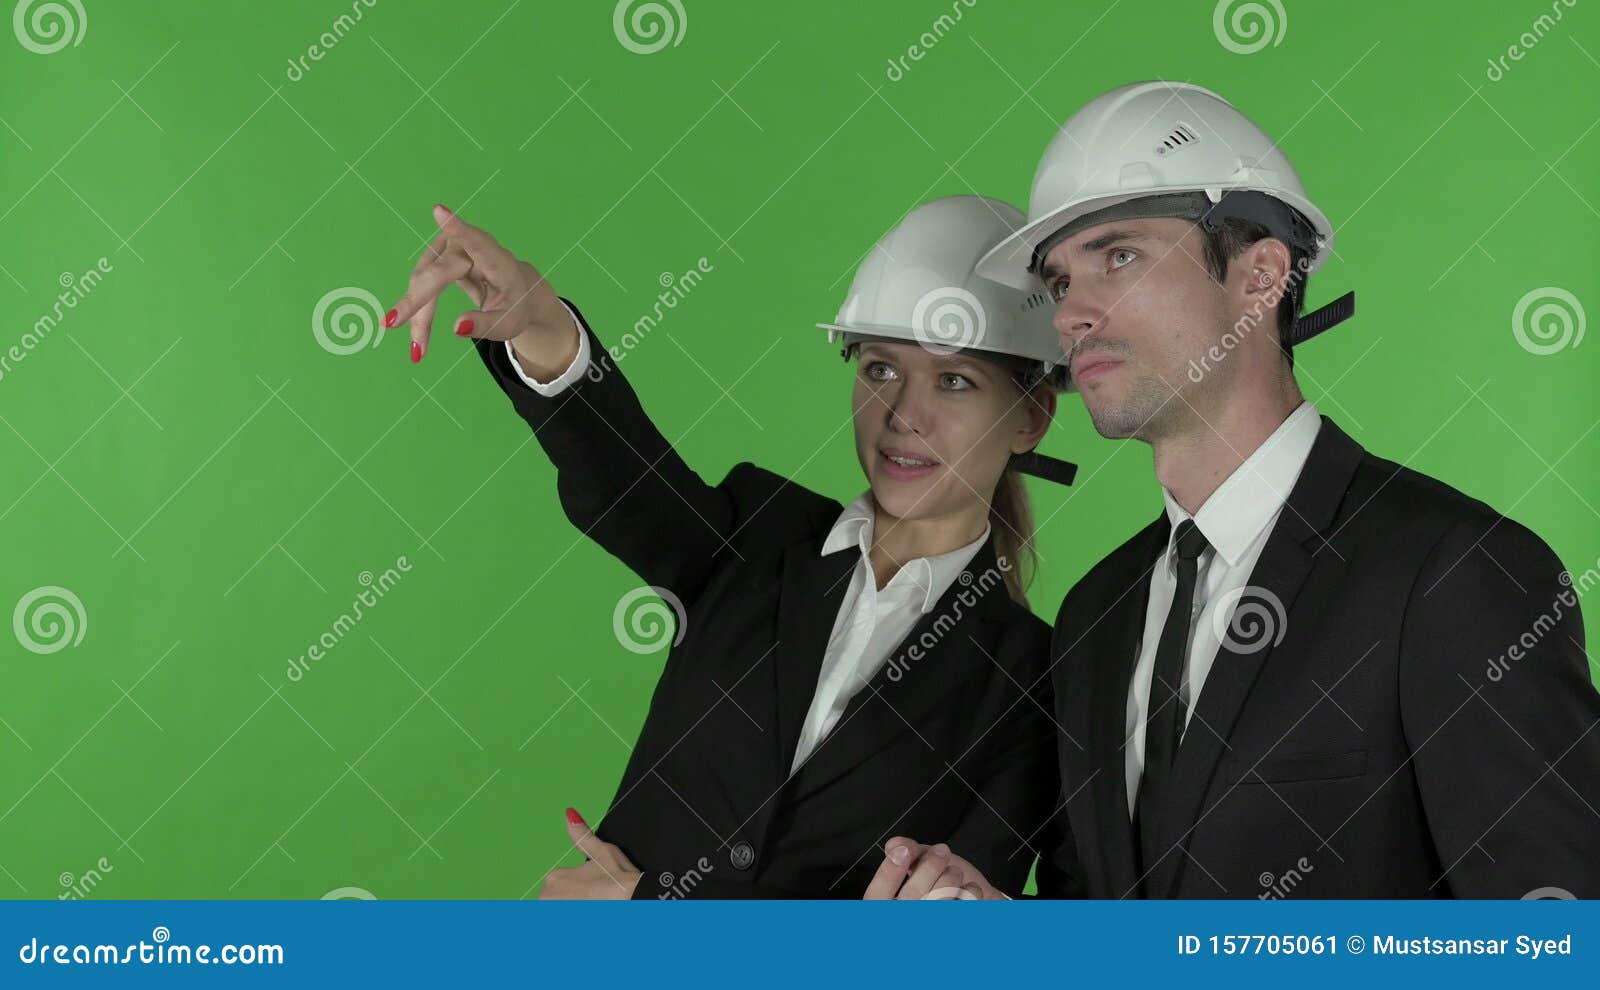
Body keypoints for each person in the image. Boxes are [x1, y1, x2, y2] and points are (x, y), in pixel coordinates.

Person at [867, 80, 1600, 900]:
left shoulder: (1454, 575)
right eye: (1061, 280)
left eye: (1118, 256)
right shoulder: (1095, 618)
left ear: (1260, 276)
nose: (1070, 314)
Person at [383, 195, 1078, 898]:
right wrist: (542, 327)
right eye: (879, 369)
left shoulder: (1035, 687)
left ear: (1031, 417)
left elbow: (941, 935)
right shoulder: (759, 530)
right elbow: (624, 481)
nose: (902, 416)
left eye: (954, 380)